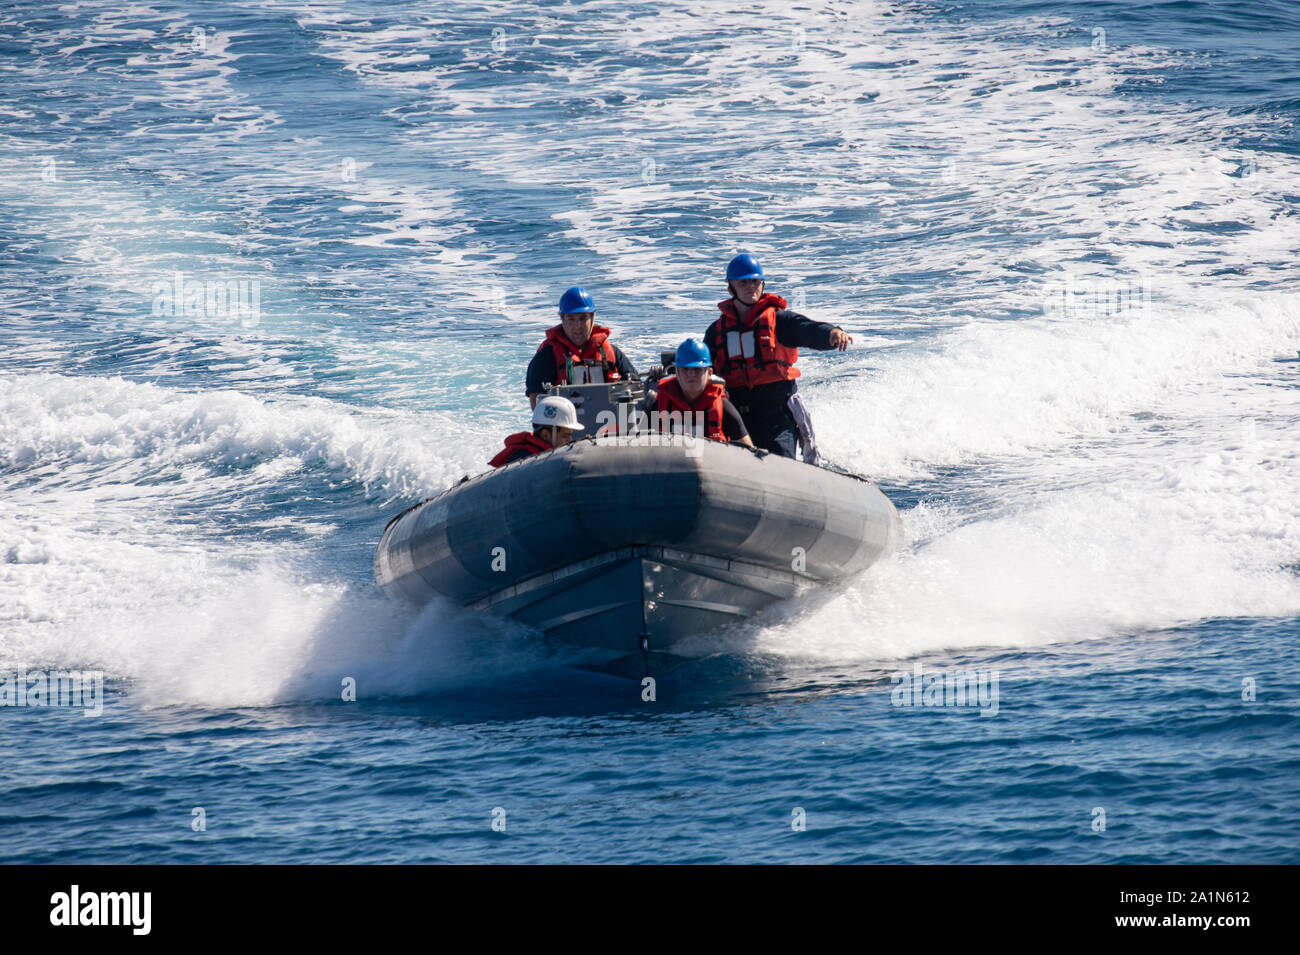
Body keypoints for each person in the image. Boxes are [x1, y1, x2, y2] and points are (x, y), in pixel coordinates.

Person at [702, 253, 852, 464]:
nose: (750, 286)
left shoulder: (779, 321)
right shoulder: (717, 331)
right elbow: (700, 364)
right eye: (743, 282)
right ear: (731, 288)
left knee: (779, 462)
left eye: (755, 281)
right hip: (736, 414)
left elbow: (808, 329)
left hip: (776, 414)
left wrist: (832, 333)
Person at [525, 286, 638, 409]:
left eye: (583, 318)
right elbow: (537, 405)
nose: (577, 326)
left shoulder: (612, 353)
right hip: (565, 426)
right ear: (562, 319)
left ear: (592, 317)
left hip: (610, 423)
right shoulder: (546, 357)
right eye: (571, 319)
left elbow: (637, 388)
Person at [638, 338, 752, 446]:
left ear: (709, 373)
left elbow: (747, 451)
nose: (691, 374)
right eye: (685, 369)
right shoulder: (661, 406)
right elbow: (638, 447)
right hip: (670, 465)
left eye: (697, 369)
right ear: (676, 373)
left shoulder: (723, 407)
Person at [488, 395, 584, 468]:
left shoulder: (544, 456)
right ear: (545, 435)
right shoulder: (524, 460)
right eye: (565, 435)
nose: (570, 440)